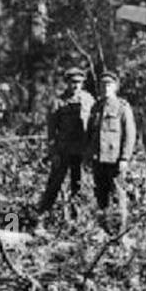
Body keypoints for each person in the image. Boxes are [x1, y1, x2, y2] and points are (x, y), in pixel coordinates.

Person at [37, 66, 95, 219]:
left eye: (79, 82)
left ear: (83, 83)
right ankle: (42, 216)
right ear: (67, 83)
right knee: (54, 184)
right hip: (63, 151)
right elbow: (51, 132)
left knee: (79, 186)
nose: (75, 85)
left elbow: (94, 126)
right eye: (72, 82)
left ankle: (78, 219)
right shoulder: (58, 102)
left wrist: (92, 150)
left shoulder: (89, 100)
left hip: (81, 151)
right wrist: (53, 153)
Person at [88, 70, 137, 228]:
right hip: (98, 158)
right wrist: (89, 155)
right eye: (102, 85)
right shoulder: (96, 107)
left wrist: (124, 158)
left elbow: (130, 134)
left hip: (115, 159)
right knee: (101, 196)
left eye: (109, 85)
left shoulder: (122, 107)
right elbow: (90, 133)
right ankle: (104, 230)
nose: (105, 88)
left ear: (115, 87)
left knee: (118, 195)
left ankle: (119, 232)